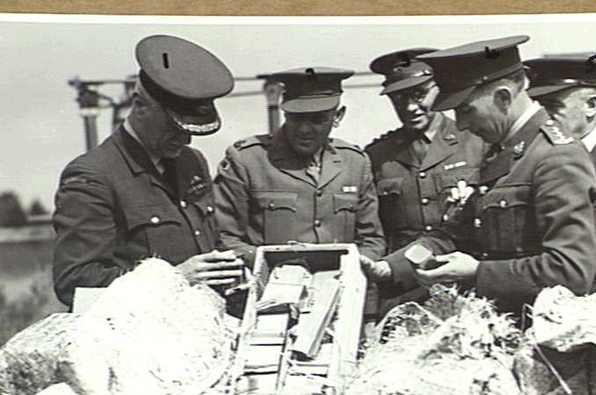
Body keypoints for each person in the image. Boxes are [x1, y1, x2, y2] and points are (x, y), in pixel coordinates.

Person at [361, 36, 596, 314]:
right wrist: (390, 267)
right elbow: (454, 235)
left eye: (466, 110)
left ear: (503, 98)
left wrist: (477, 272)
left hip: (539, 330)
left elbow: (571, 271)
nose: (461, 124)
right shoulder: (501, 152)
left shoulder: (556, 157)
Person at [53, 35, 243, 308]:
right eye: (173, 128)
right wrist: (175, 278)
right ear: (140, 105)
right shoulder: (92, 176)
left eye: (190, 131)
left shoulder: (192, 161)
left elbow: (210, 242)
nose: (185, 140)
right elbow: (74, 283)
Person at [213, 66, 385, 274]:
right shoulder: (247, 160)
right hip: (269, 292)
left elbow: (371, 239)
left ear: (338, 116)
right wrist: (269, 265)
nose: (304, 130)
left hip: (342, 287)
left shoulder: (355, 163)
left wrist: (360, 264)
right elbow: (224, 237)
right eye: (296, 118)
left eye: (317, 120)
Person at [363, 48, 485, 309]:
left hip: (466, 287)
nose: (409, 107)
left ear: (439, 88)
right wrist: (371, 313)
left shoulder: (476, 142)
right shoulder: (377, 156)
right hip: (402, 290)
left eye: (419, 94)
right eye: (398, 98)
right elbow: (373, 236)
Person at [526, 55, 596, 311]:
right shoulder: (526, 164)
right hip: (542, 310)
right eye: (536, 106)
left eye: (552, 106)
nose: (542, 118)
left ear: (591, 104)